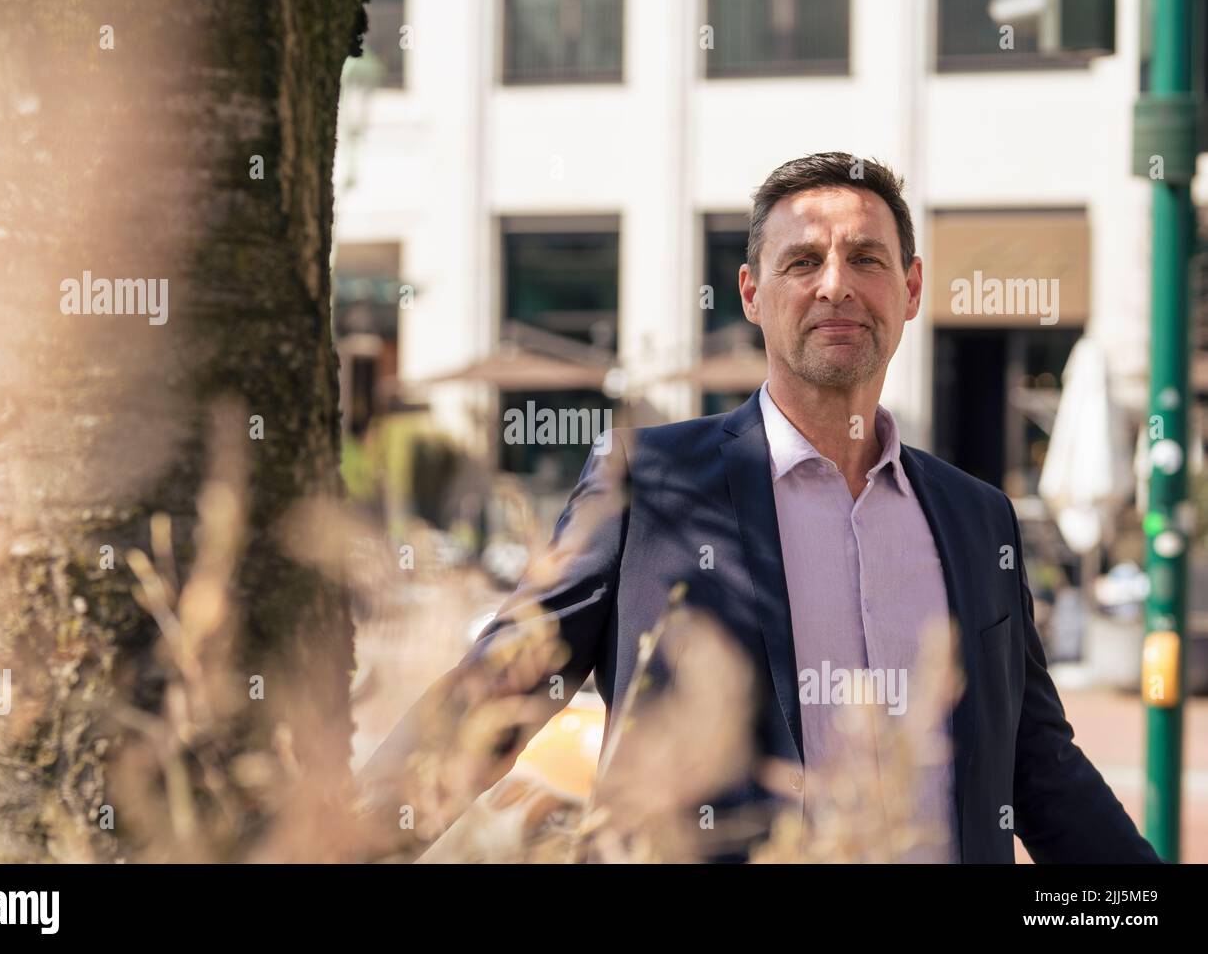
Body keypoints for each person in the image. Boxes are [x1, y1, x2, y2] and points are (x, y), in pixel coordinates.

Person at [355, 152, 1160, 864]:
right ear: (751, 292)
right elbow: (501, 690)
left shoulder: (980, 518)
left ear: (910, 290)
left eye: (867, 258)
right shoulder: (654, 483)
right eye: (803, 260)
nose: (836, 284)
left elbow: (1038, 765)